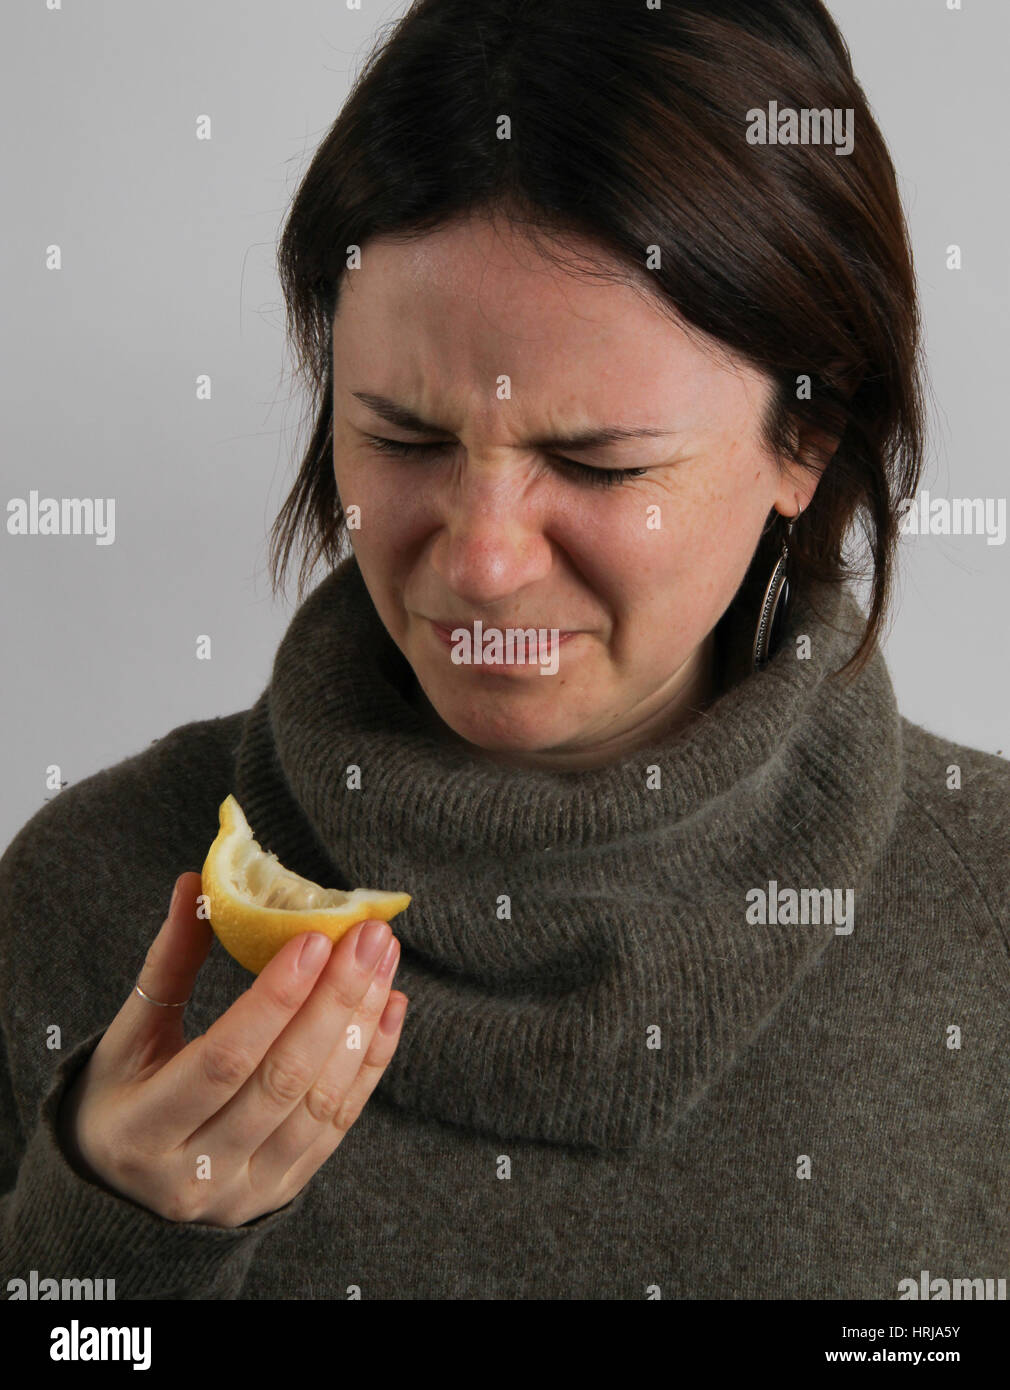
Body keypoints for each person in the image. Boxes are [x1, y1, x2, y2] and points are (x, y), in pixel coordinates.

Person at [2, 0, 1007, 1301]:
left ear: (806, 444)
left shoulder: (983, 912)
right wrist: (101, 1255)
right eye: (405, 440)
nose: (479, 558)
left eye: (596, 462)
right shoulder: (91, 897)